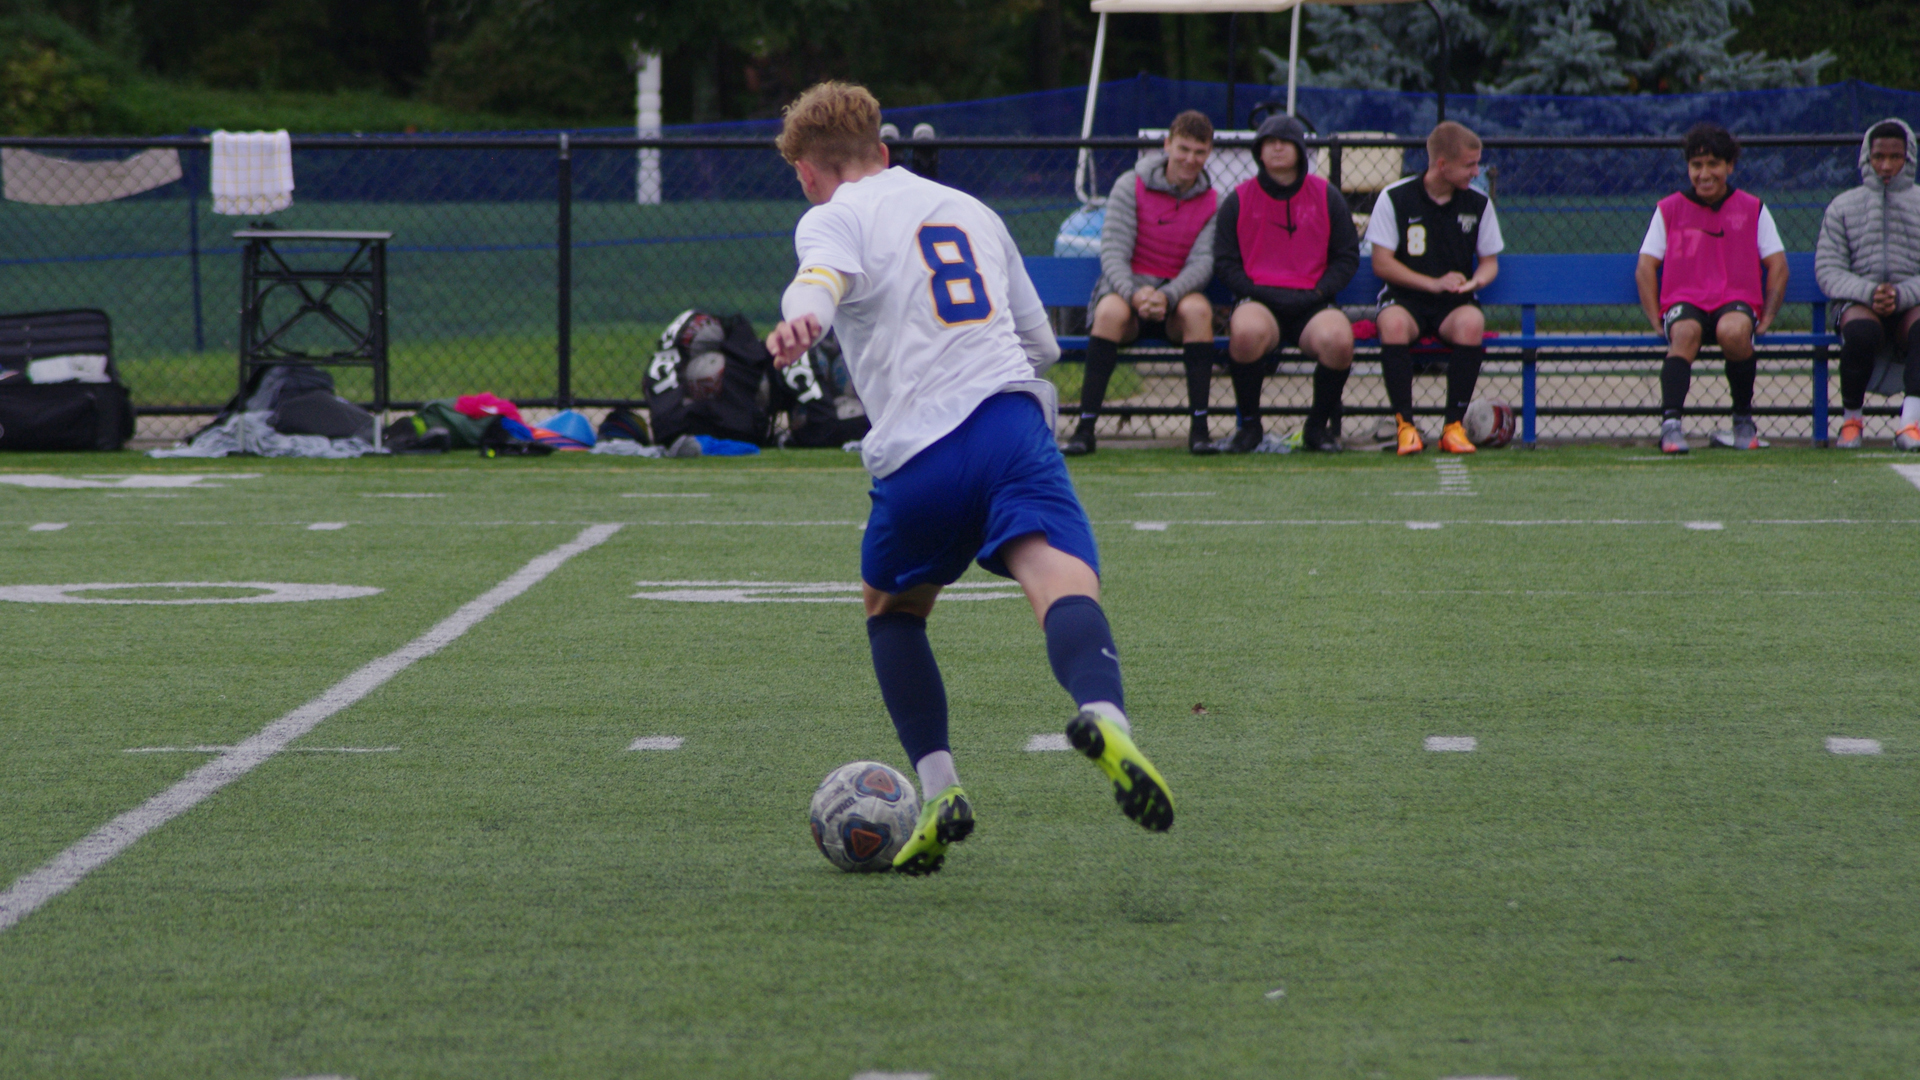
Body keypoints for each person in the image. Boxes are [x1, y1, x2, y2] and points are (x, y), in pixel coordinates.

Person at [764, 82, 1175, 875]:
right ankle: (1103, 714)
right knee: (1058, 580)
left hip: (921, 451)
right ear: (882, 151)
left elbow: (818, 277)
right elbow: (1041, 344)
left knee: (893, 611)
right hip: (1010, 424)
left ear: (811, 173)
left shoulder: (831, 213)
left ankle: (941, 786)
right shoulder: (970, 210)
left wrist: (807, 315)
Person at [1070, 109, 1221, 456]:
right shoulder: (1130, 184)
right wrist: (1134, 294)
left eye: (1199, 152)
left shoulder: (1214, 201)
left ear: (1209, 153)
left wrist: (1167, 296)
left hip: (1176, 300)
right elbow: (1112, 253)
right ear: (1167, 145)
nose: (1190, 159)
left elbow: (1203, 263)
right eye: (1183, 149)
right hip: (1126, 296)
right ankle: (1084, 429)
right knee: (1108, 311)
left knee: (1199, 311)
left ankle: (1200, 431)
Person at [1635, 122, 1789, 455]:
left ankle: (1742, 420)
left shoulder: (1752, 208)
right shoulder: (1669, 209)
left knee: (1734, 332)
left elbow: (1778, 265)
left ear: (1729, 166)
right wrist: (1654, 318)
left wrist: (1768, 317)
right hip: (1684, 300)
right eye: (1696, 165)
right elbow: (1646, 266)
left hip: (1735, 299)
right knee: (1685, 331)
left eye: (1713, 164)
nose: (1704, 173)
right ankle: (1671, 426)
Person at [1213, 113, 1359, 453]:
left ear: (1300, 150)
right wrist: (1257, 292)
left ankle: (1317, 429)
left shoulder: (1326, 195)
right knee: (1245, 331)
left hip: (1313, 302)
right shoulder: (1237, 199)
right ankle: (1249, 427)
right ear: (1258, 152)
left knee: (1338, 339)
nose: (1277, 148)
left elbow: (1346, 256)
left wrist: (1319, 291)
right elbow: (1225, 262)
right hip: (1260, 301)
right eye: (1268, 142)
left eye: (1285, 142)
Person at [1366, 120, 1502, 456]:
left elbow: (1489, 261)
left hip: (1452, 304)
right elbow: (1381, 263)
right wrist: (1431, 282)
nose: (1476, 171)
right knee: (1392, 323)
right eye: (1469, 164)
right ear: (1442, 165)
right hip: (1405, 298)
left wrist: (1476, 281)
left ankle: (1453, 427)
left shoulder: (1478, 203)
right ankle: (1405, 426)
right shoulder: (1394, 198)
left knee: (1472, 323)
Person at [1817, 118, 1920, 450]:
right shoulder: (1843, 207)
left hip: (1912, 304)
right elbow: (1828, 269)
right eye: (1879, 157)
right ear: (1867, 158)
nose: (1886, 166)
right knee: (1860, 332)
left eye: (1895, 157)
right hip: (1860, 302)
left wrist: (1903, 294)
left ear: (1909, 158)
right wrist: (1868, 293)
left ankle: (1910, 425)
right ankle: (1852, 420)